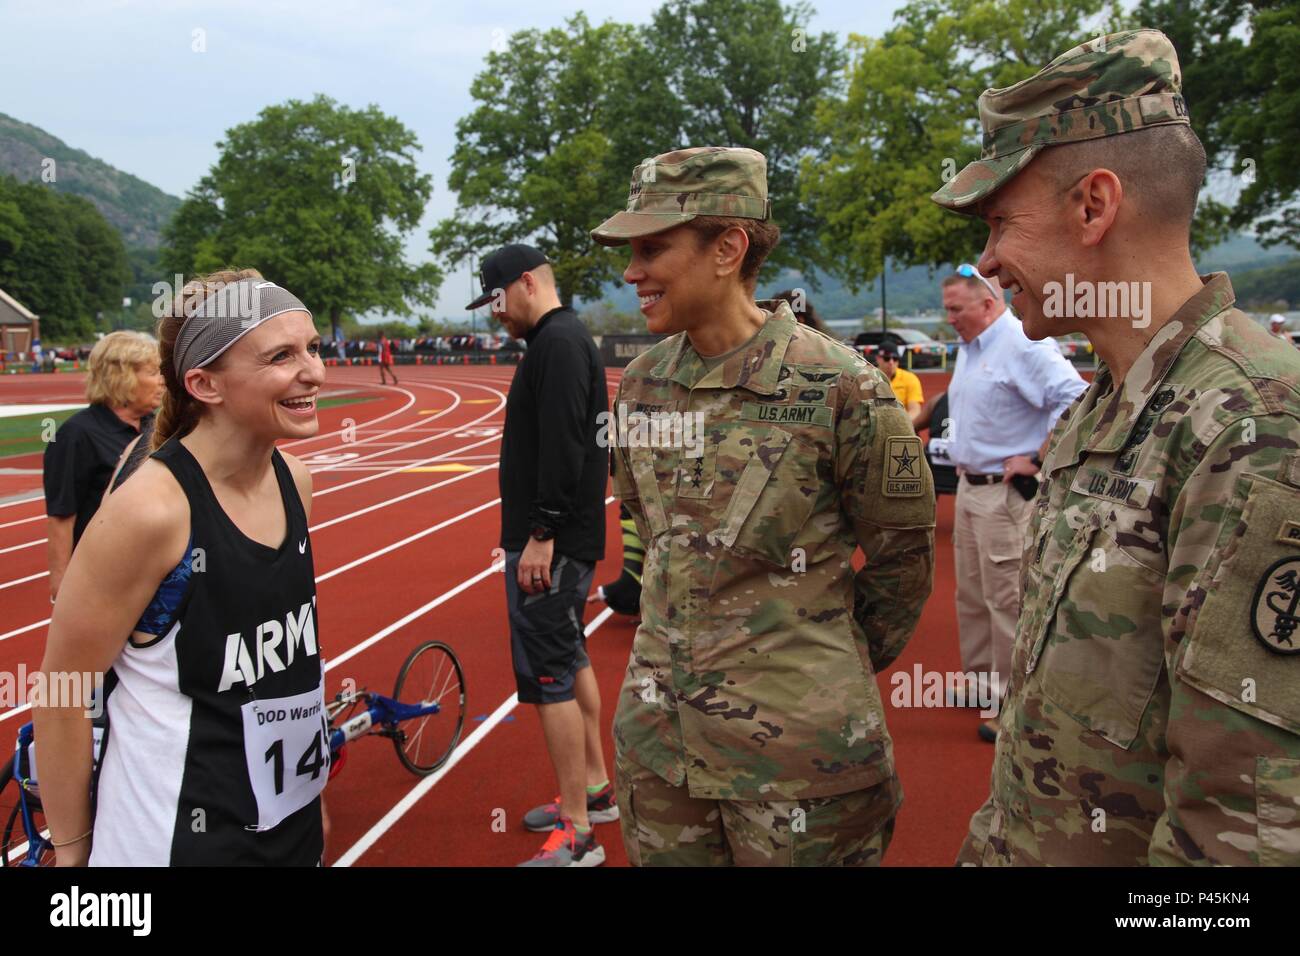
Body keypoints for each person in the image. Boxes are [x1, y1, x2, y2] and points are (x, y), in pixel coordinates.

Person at [932, 28, 1300, 865]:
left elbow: (1239, 839)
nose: (987, 260)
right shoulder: (1108, 406)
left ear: (1094, 206)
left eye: (999, 223)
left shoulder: (1257, 426)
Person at [593, 146, 935, 866]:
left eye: (652, 249)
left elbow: (904, 559)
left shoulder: (842, 387)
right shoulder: (642, 386)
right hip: (661, 756)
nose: (631, 273)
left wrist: (816, 671)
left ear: (728, 247)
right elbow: (652, 536)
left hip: (799, 769)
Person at [35, 269, 329, 866]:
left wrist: (309, 788)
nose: (315, 371)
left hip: (287, 832)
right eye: (281, 356)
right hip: (171, 842)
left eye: (313, 347)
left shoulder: (294, 480)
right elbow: (63, 692)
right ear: (204, 384)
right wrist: (70, 852)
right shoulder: (151, 510)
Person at [466, 244, 611, 866]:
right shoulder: (563, 339)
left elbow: (565, 446)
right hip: (560, 537)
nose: (494, 313)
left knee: (551, 674)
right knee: (570, 656)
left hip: (553, 542)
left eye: (496, 299)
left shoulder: (556, 344)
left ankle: (578, 834)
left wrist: (541, 535)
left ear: (525, 284)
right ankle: (597, 790)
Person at [942, 264, 1085, 741]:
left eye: (956, 309)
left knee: (1006, 598)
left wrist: (1037, 458)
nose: (950, 319)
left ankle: (1011, 699)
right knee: (972, 592)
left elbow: (1076, 398)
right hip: (969, 487)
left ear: (988, 304)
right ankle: (984, 681)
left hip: (1004, 495)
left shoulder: (1023, 344)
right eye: (947, 310)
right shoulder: (972, 347)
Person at [43, 331, 163, 601]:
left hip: (156, 567)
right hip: (102, 572)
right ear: (123, 376)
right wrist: (61, 587)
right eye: (153, 372)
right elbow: (62, 514)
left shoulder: (157, 428)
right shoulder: (76, 435)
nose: (162, 382)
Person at [875, 345, 924, 422]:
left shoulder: (910, 378)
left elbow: (915, 410)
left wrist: (902, 423)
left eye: (895, 359)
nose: (891, 362)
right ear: (878, 359)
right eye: (886, 358)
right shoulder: (869, 378)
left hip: (904, 424)